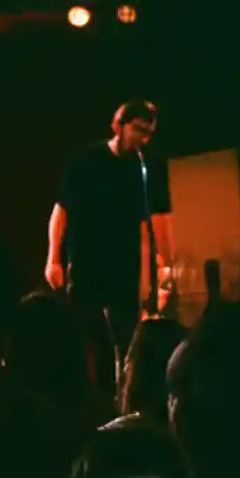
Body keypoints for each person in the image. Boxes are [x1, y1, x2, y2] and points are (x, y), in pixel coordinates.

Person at [45, 99, 175, 397]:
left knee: (127, 336)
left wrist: (164, 265)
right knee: (88, 335)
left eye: (149, 133)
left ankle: (123, 397)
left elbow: (159, 221)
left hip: (124, 266)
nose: (143, 138)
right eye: (138, 129)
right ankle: (90, 396)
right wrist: (53, 258)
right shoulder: (87, 161)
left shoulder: (145, 169)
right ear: (119, 125)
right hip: (87, 262)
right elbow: (61, 211)